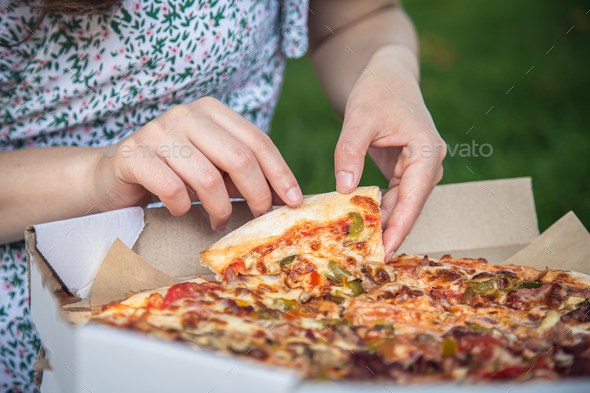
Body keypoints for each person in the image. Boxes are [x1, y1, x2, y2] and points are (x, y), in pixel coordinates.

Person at [0, 0, 445, 390]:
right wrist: (95, 173)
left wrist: (389, 72)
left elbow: (359, 15)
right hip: (29, 308)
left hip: (243, 262)